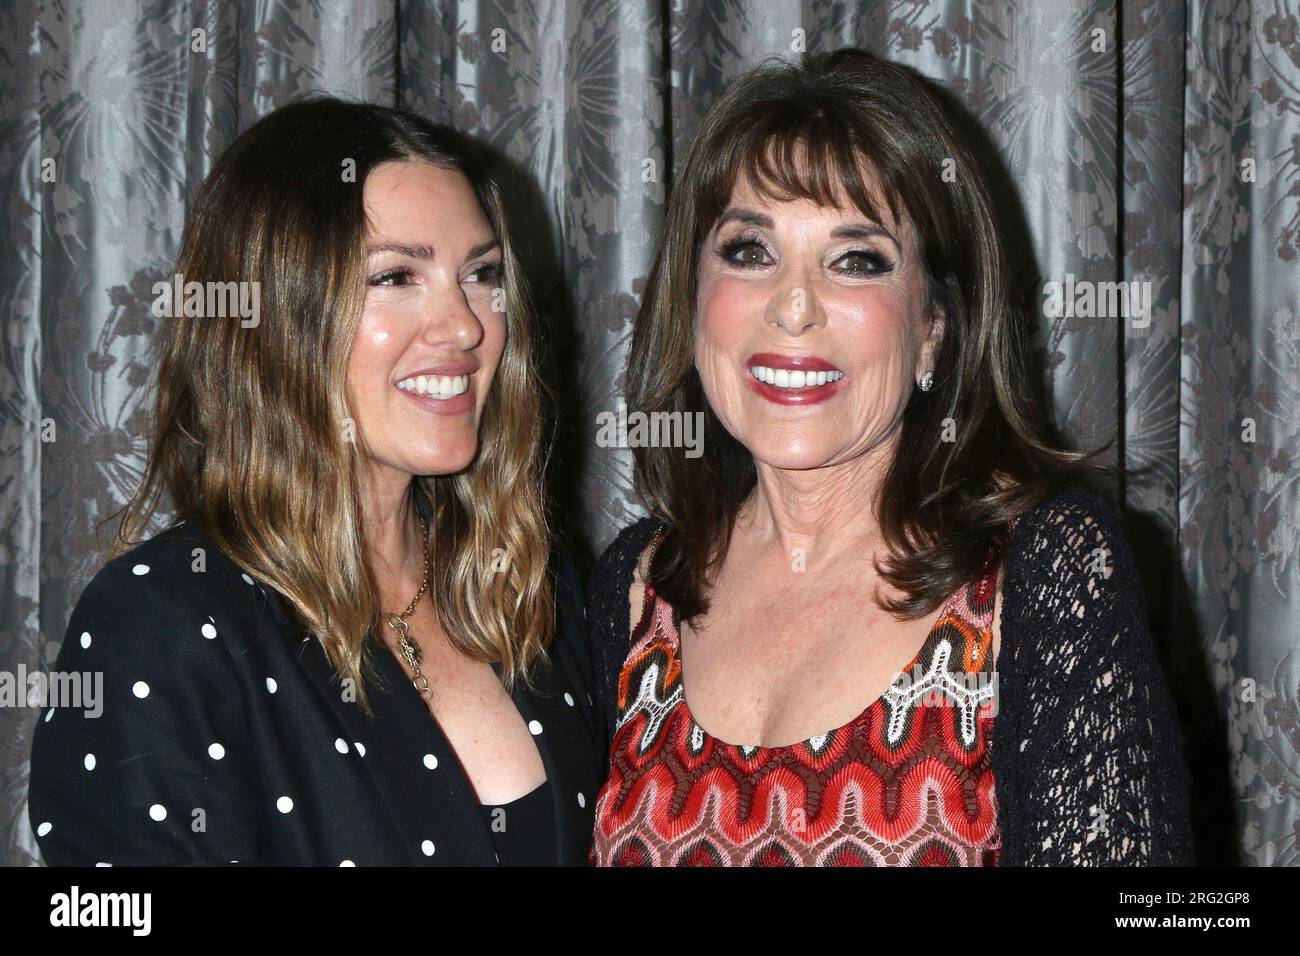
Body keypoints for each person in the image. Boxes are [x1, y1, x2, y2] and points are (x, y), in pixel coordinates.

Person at [585, 49, 1195, 866]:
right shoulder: (635, 587)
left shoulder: (1040, 573)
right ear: (692, 298)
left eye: (857, 260)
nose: (793, 307)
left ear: (933, 332)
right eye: (749, 252)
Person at [29, 96, 603, 866]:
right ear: (276, 315)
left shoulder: (530, 584)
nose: (464, 325)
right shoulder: (163, 624)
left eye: (482, 273)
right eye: (396, 276)